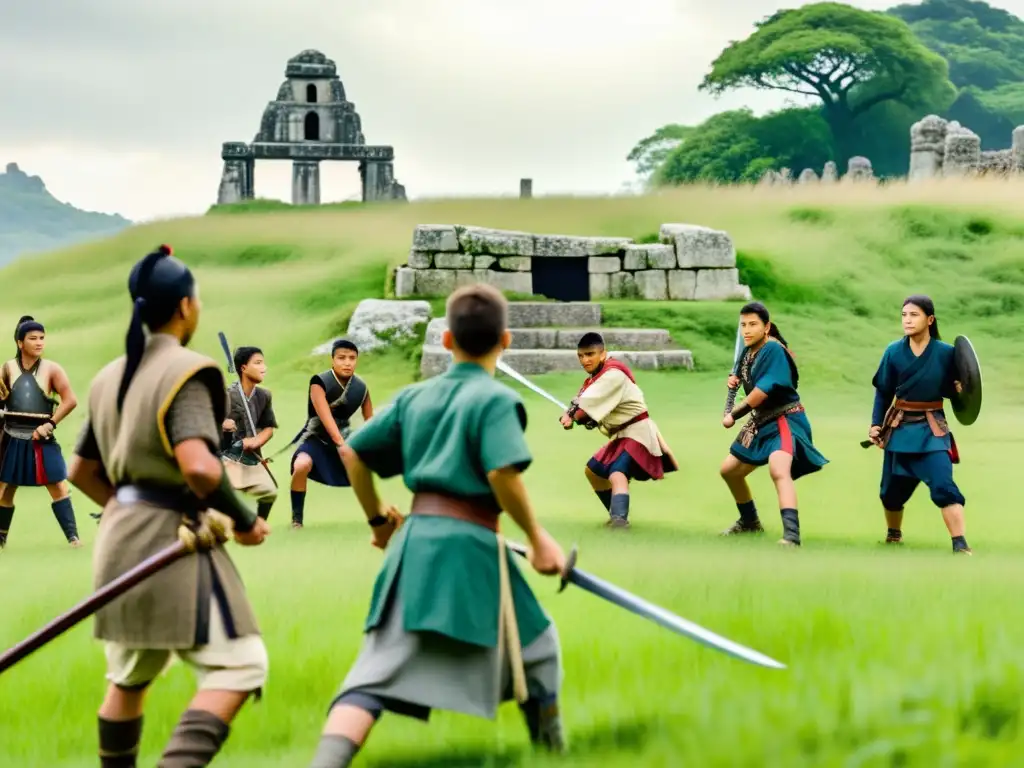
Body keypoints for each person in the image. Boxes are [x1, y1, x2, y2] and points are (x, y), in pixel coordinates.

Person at [306, 283, 567, 768]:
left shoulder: (413, 398)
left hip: (416, 545)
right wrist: (539, 540)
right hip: (471, 547)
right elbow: (500, 473)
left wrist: (379, 520)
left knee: (373, 674)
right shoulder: (494, 401)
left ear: (446, 341)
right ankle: (553, 751)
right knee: (540, 649)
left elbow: (353, 453)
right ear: (505, 341)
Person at [67, 244, 271, 767]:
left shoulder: (110, 374)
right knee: (241, 666)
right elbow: (200, 466)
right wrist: (245, 521)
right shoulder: (188, 370)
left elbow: (81, 473)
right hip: (173, 541)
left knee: (130, 676)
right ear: (185, 307)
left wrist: (125, 512)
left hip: (119, 543)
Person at [867, 295, 971, 554]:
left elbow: (956, 391)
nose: (907, 320)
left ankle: (960, 544)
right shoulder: (893, 351)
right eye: (904, 315)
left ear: (930, 319)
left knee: (944, 485)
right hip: (899, 428)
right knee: (890, 493)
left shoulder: (947, 353)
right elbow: (883, 391)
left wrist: (959, 391)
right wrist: (875, 425)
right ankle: (893, 534)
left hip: (932, 429)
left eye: (914, 315)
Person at [719, 302, 828, 546]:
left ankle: (791, 536)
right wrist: (736, 380)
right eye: (743, 325)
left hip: (785, 419)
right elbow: (747, 382)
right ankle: (750, 522)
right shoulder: (748, 353)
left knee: (779, 469)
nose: (746, 330)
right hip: (761, 421)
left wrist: (732, 415)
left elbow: (760, 393)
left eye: (753, 325)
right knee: (729, 471)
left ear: (766, 327)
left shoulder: (774, 350)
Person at [560, 332, 677, 529]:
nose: (585, 360)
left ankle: (620, 521)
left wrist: (573, 416)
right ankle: (615, 514)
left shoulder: (613, 374)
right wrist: (575, 415)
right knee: (593, 471)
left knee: (617, 472)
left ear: (603, 354)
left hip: (638, 431)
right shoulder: (595, 379)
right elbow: (586, 403)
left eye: (590, 354)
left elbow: (586, 405)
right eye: (581, 356)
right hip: (622, 434)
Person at [0, 315, 82, 548]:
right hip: (10, 437)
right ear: (19, 343)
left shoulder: (52, 369)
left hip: (41, 436)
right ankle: (1, 540)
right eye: (33, 338)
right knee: (5, 488)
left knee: (57, 484)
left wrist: (50, 424)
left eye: (42, 338)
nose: (39, 343)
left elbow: (70, 400)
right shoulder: (6, 369)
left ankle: (73, 538)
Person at [289, 339, 372, 529]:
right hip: (317, 437)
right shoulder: (319, 382)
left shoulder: (361, 387)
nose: (347, 362)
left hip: (345, 437)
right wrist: (341, 444)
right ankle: (296, 520)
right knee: (301, 465)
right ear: (332, 360)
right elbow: (325, 417)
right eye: (342, 358)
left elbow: (370, 421)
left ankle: (377, 517)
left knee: (366, 470)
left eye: (352, 358)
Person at [221, 345, 278, 520]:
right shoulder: (226, 396)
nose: (264, 368)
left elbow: (268, 428)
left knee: (269, 492)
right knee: (222, 497)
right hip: (227, 458)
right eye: (258, 363)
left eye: (263, 363)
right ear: (243, 368)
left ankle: (259, 526)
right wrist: (225, 426)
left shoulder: (264, 395)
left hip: (252, 458)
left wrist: (255, 441)